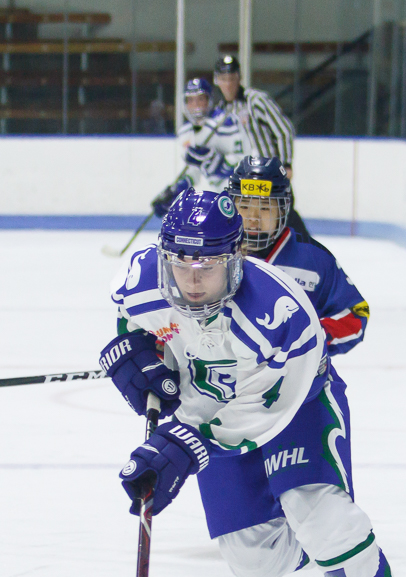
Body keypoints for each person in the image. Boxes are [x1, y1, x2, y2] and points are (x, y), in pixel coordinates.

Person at [100, 189, 406, 577]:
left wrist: (182, 443)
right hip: (209, 412)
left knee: (321, 515)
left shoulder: (280, 313)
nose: (192, 279)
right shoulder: (142, 276)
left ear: (235, 259)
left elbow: (262, 409)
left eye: (207, 266)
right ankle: (315, 549)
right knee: (255, 562)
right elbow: (136, 326)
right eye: (182, 264)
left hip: (296, 406)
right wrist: (136, 355)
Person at [226, 156, 369, 356]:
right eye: (245, 206)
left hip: (296, 384)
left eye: (265, 208)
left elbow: (354, 314)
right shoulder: (214, 256)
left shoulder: (313, 259)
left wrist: (310, 341)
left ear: (283, 210)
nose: (253, 218)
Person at [212, 54, 311, 237]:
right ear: (217, 80)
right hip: (244, 184)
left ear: (239, 78)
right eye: (224, 79)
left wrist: (286, 163)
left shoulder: (255, 100)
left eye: (232, 78)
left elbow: (284, 129)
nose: (228, 84)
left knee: (284, 217)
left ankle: (307, 252)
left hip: (269, 177)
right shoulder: (221, 111)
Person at [150, 78, 252, 219]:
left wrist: (215, 160)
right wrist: (176, 191)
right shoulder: (185, 132)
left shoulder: (227, 122)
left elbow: (243, 161)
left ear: (209, 100)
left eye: (200, 99)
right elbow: (194, 171)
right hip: (219, 197)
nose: (196, 105)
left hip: (243, 195)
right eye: (191, 101)